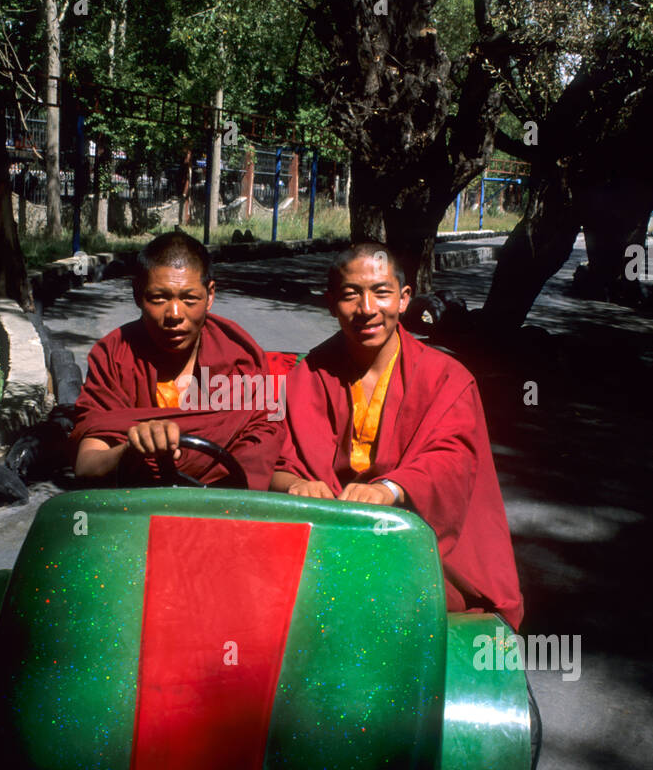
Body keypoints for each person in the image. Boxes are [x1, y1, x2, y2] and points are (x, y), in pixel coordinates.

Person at [271, 241, 524, 629]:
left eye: (381, 292)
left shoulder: (446, 378)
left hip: (415, 551)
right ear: (331, 302)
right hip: (325, 543)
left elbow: (451, 459)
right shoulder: (308, 375)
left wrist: (389, 489)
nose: (367, 309)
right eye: (351, 295)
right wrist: (295, 485)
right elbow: (273, 458)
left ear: (404, 299)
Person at [72, 230, 285, 489]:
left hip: (219, 509)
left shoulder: (240, 358)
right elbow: (86, 465)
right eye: (159, 298)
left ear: (210, 296)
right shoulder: (114, 356)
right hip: (133, 507)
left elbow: (265, 451)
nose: (174, 314)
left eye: (189, 299)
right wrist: (132, 449)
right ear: (138, 295)